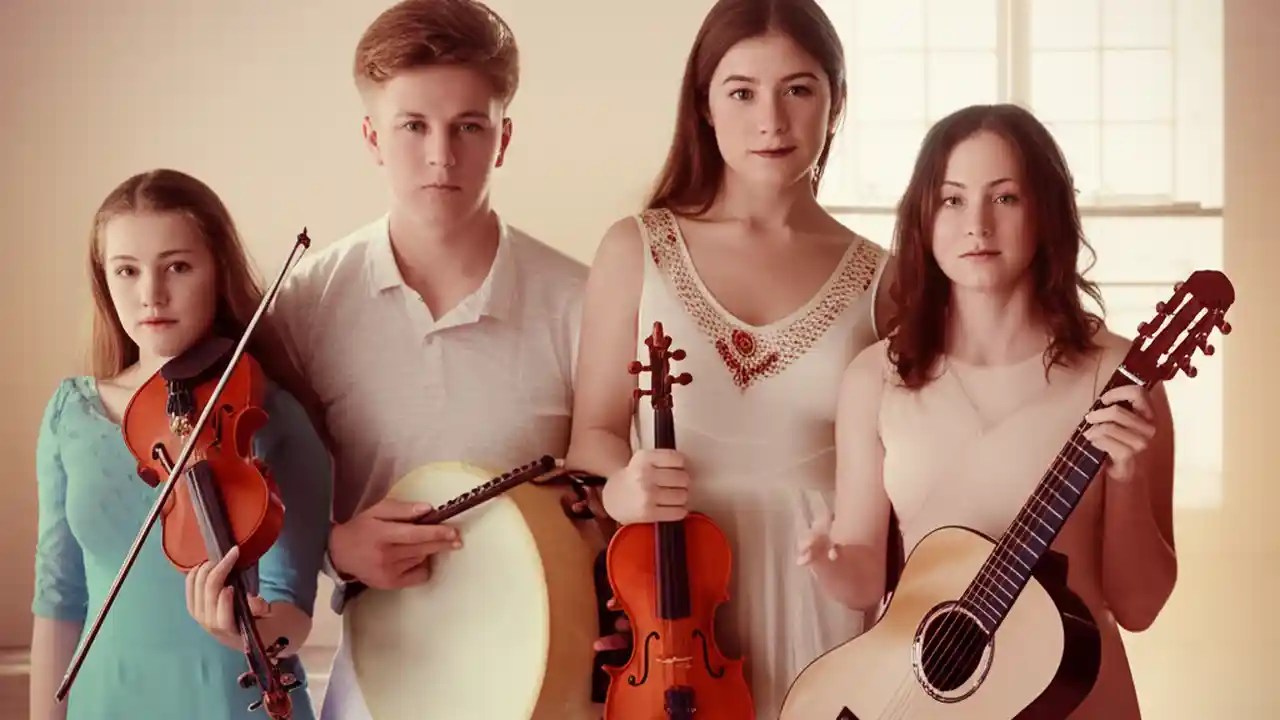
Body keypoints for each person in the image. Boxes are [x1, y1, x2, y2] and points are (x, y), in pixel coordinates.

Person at [262, 1, 604, 718]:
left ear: (503, 138)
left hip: (545, 674)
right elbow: (269, 498)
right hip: (381, 673)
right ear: (372, 137)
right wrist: (336, 547)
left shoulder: (584, 300)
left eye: (468, 127)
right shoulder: (306, 303)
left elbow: (606, 498)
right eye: (413, 126)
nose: (441, 155)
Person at [564, 0, 896, 715]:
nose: (770, 120)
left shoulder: (884, 278)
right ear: (706, 107)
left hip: (822, 600)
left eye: (798, 89)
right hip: (674, 600)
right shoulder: (635, 249)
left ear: (837, 104)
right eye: (741, 91)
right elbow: (591, 433)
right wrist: (620, 493)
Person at [798, 103, 1178, 718]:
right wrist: (826, 561)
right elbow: (866, 584)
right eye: (951, 200)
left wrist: (1129, 483)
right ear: (923, 217)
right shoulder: (875, 378)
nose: (977, 224)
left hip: (1074, 695)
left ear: (1045, 213)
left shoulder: (1119, 375)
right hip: (929, 700)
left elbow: (1139, 608)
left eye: (1004, 198)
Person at [28, 168, 334, 720]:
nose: (151, 294)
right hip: (105, 703)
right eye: (127, 270)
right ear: (105, 281)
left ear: (216, 273)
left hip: (231, 702)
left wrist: (245, 630)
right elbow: (58, 599)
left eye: (178, 266)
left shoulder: (270, 416)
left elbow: (293, 610)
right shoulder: (70, 414)